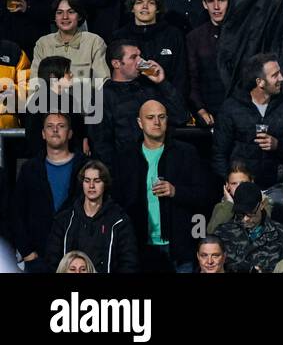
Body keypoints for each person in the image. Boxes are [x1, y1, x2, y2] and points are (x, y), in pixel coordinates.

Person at [115, 99, 206, 272]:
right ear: (140, 123)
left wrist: (175, 191)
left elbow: (205, 195)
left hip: (179, 249)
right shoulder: (126, 157)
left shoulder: (186, 153)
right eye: (150, 117)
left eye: (161, 117)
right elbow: (118, 202)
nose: (156, 122)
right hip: (140, 248)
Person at [211, 52, 283, 198]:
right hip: (240, 189)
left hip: (275, 189)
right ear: (260, 82)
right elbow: (219, 153)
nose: (281, 78)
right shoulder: (231, 108)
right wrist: (231, 183)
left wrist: (278, 145)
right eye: (275, 75)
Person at [90, 39, 186, 174]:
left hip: (161, 164)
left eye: (140, 56)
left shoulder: (149, 89)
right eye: (134, 57)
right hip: (126, 171)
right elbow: (101, 145)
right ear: (116, 63)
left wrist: (162, 82)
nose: (141, 61)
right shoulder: (100, 97)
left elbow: (180, 117)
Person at [10, 112, 85, 272]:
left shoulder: (86, 167)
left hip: (77, 259)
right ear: (43, 134)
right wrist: (28, 253)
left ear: (70, 133)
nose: (55, 130)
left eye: (61, 126)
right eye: (50, 127)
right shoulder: (29, 169)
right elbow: (16, 213)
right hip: (38, 259)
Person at [45, 159, 138, 273]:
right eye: (87, 180)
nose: (91, 185)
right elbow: (52, 259)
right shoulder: (65, 219)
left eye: (97, 181)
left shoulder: (119, 221)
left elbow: (128, 262)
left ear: (105, 184)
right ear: (82, 183)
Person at [116, 0, 188, 99]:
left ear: (158, 8)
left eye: (151, 3)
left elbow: (181, 76)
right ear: (132, 8)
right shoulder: (120, 37)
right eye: (139, 2)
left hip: (167, 100)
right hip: (129, 102)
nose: (145, 7)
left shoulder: (173, 35)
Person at [212, 181, 283, 273]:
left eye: (250, 213)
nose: (245, 219)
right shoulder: (223, 233)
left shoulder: (282, 234)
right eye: (241, 213)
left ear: (262, 205)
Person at [185, 0, 227, 128]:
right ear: (204, 4)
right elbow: (192, 79)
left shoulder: (243, 35)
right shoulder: (194, 38)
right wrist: (200, 110)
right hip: (209, 114)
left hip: (241, 113)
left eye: (221, 0)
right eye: (211, 1)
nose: (216, 7)